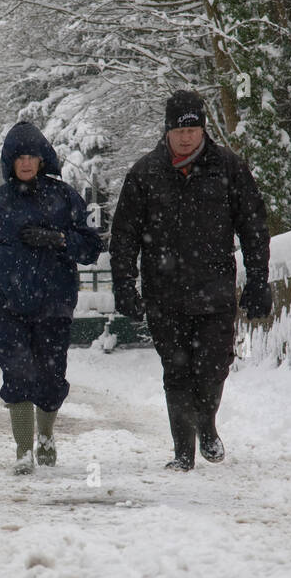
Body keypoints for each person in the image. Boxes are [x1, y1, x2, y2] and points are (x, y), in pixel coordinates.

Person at [110, 89, 272, 472]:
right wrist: (123, 284)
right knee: (177, 370)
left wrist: (258, 280)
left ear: (203, 129)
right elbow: (124, 236)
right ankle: (183, 452)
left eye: (194, 129)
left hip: (214, 290)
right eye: (180, 130)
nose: (187, 137)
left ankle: (206, 423)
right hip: (163, 294)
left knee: (215, 365)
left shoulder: (228, 168)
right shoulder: (145, 173)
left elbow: (253, 227)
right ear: (167, 131)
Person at [0, 121, 103, 474]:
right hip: (8, 307)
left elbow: (92, 247)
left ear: (42, 158)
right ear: (10, 161)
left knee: (51, 379)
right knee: (16, 376)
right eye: (19, 156)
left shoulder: (64, 198)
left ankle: (46, 435)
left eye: (32, 155)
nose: (26, 162)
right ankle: (23, 450)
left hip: (55, 305)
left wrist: (59, 240)